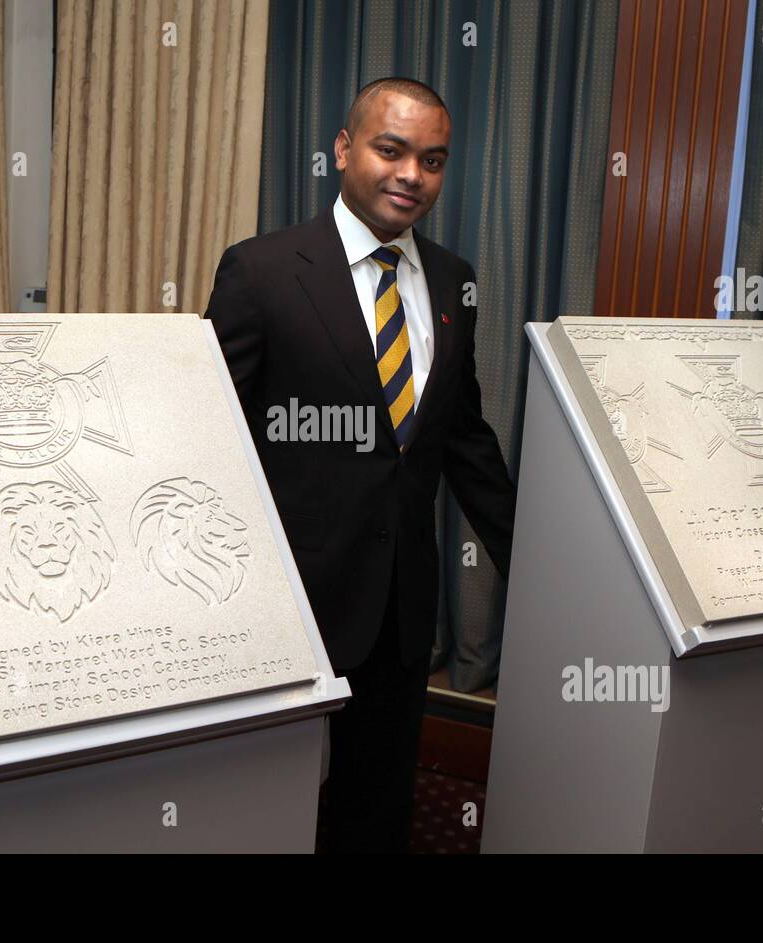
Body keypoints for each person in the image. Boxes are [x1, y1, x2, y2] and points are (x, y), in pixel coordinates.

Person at [204, 76, 516, 853]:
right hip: (290, 607)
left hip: (401, 610)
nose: (413, 174)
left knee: (375, 810)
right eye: (392, 149)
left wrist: (532, 558)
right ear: (344, 151)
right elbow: (208, 436)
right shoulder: (262, 272)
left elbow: (462, 433)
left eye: (434, 160)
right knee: (262, 809)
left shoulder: (455, 280)